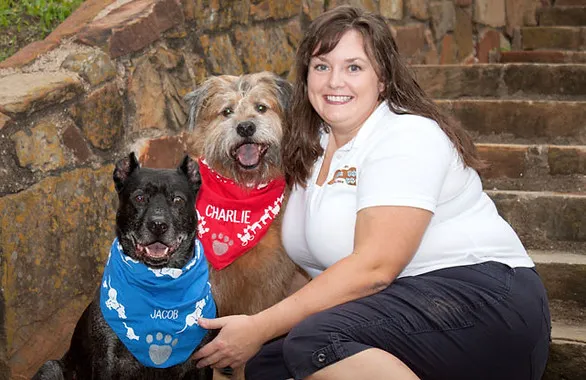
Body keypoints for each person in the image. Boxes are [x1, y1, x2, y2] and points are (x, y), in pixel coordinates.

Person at [193, 5, 551, 380]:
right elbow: (309, 273)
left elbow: (375, 268)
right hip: (390, 311)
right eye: (322, 66)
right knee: (266, 365)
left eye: (353, 67)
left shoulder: (407, 135)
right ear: (306, 78)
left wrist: (260, 326)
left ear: (382, 78)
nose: (335, 81)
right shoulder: (307, 149)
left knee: (314, 341)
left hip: (480, 303)